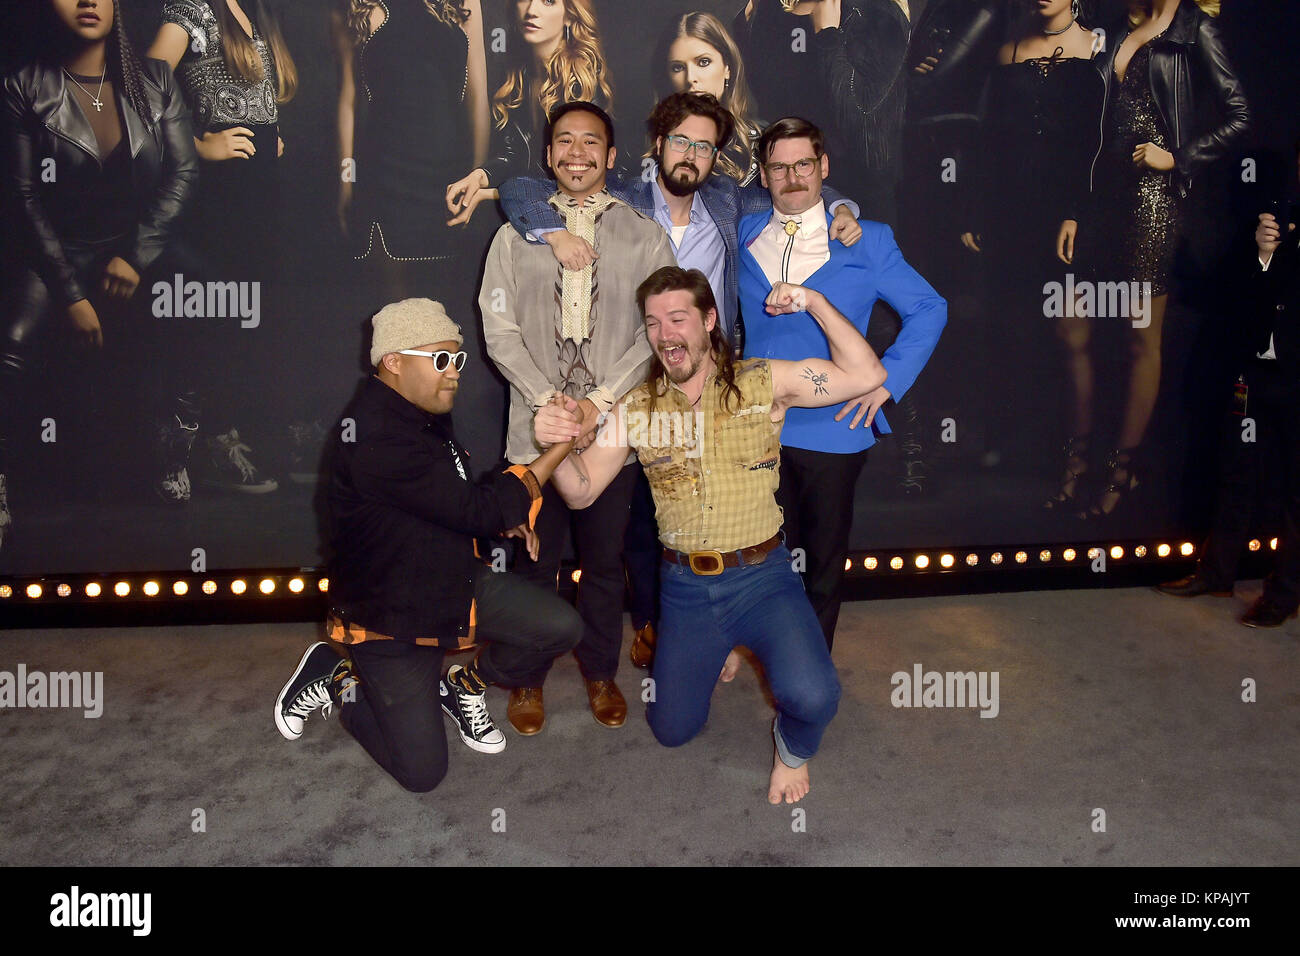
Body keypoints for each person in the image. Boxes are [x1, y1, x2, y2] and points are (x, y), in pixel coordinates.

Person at [498, 91, 862, 670]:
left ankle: (688, 628)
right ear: (658, 145)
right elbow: (523, 189)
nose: (690, 153)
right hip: (634, 376)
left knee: (686, 506)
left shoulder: (726, 200)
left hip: (705, 376)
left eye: (704, 144)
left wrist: (845, 208)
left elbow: (799, 191)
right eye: (681, 140)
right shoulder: (619, 195)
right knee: (634, 516)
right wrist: (552, 232)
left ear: (716, 156)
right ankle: (643, 627)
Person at [533, 265, 887, 803]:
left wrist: (813, 301)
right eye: (653, 323)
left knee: (813, 696)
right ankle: (720, 648)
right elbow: (581, 492)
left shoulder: (762, 381)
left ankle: (790, 748)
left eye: (678, 318)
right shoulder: (639, 407)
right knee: (671, 730)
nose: (665, 334)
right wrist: (555, 446)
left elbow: (866, 375)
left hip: (764, 578)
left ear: (709, 319)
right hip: (687, 590)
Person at [273, 299, 582, 792]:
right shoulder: (376, 435)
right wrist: (556, 454)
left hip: (448, 582)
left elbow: (451, 500)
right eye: (440, 359)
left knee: (561, 626)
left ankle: (463, 684)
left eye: (457, 359)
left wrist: (500, 515)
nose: (455, 373)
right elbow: (475, 509)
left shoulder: (418, 411)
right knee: (422, 774)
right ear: (392, 362)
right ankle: (336, 677)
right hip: (388, 618)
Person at [479, 101, 676, 732]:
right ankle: (527, 681)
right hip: (533, 429)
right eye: (564, 141)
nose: (577, 153)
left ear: (611, 159)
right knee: (536, 562)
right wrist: (546, 400)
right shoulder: (515, 234)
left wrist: (599, 403)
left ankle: (600, 673)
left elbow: (655, 332)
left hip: (609, 433)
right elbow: (497, 329)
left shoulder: (644, 234)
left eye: (591, 143)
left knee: (604, 562)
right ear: (547, 155)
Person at [739, 116, 946, 649]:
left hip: (835, 430)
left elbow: (929, 308)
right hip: (756, 428)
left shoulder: (868, 239)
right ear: (763, 174)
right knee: (754, 556)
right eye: (779, 167)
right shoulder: (740, 232)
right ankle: (759, 653)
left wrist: (887, 382)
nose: (792, 178)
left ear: (823, 168)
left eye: (803, 164)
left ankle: (808, 679)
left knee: (822, 569)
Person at [0, 0, 197, 554]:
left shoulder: (153, 79)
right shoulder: (23, 86)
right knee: (11, 343)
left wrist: (137, 256)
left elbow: (183, 172)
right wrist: (69, 293)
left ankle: (171, 450)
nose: (88, 0)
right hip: (56, 253)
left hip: (137, 248)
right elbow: (22, 199)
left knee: (208, 303)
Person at [1055, 0, 1249, 522]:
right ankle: (1076, 465)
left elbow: (1240, 114)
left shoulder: (1195, 29)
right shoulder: (1117, 25)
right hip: (1099, 199)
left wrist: (1179, 156)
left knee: (1141, 339)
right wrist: (1074, 209)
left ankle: (1122, 470)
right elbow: (1088, 128)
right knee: (1074, 331)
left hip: (1152, 201)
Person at [148, 0, 300, 497]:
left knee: (252, 329)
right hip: (218, 205)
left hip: (264, 204)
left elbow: (252, 95)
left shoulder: (258, 13)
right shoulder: (194, 10)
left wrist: (271, 136)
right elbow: (139, 89)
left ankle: (230, 440)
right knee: (210, 327)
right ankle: (192, 454)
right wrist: (196, 145)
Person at [956, 0, 1104, 496]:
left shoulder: (1099, 47)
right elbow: (988, 143)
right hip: (1011, 214)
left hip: (1073, 216)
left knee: (1070, 336)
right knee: (1015, 330)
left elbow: (1095, 143)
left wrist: (1076, 212)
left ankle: (1077, 458)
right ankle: (1021, 451)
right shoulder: (1008, 51)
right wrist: (976, 212)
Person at [1156, 170, 1300, 628]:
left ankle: (1282, 594)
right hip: (1255, 374)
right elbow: (1234, 295)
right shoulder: (1274, 223)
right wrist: (1262, 255)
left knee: (1296, 495)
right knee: (1236, 474)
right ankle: (1217, 573)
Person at [332, 0, 489, 289]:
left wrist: (478, 178)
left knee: (444, 309)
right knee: (395, 311)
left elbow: (478, 97)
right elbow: (348, 101)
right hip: (383, 178)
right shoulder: (356, 6)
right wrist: (344, 185)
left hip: (447, 179)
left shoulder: (463, 3)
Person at [733, 0, 911, 226]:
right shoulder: (767, 12)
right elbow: (769, 108)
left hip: (859, 207)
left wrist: (827, 36)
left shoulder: (876, 14)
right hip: (786, 200)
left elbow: (865, 129)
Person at [444, 0, 612, 227]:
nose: (532, 11)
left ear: (570, 16)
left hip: (585, 221)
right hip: (538, 215)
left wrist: (492, 194)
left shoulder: (582, 85)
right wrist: (480, 176)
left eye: (548, 2)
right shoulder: (522, 75)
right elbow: (515, 154)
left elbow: (573, 182)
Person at [653, 11, 764, 186]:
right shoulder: (647, 153)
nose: (690, 78)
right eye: (677, 67)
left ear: (728, 67)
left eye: (703, 62)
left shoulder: (764, 145)